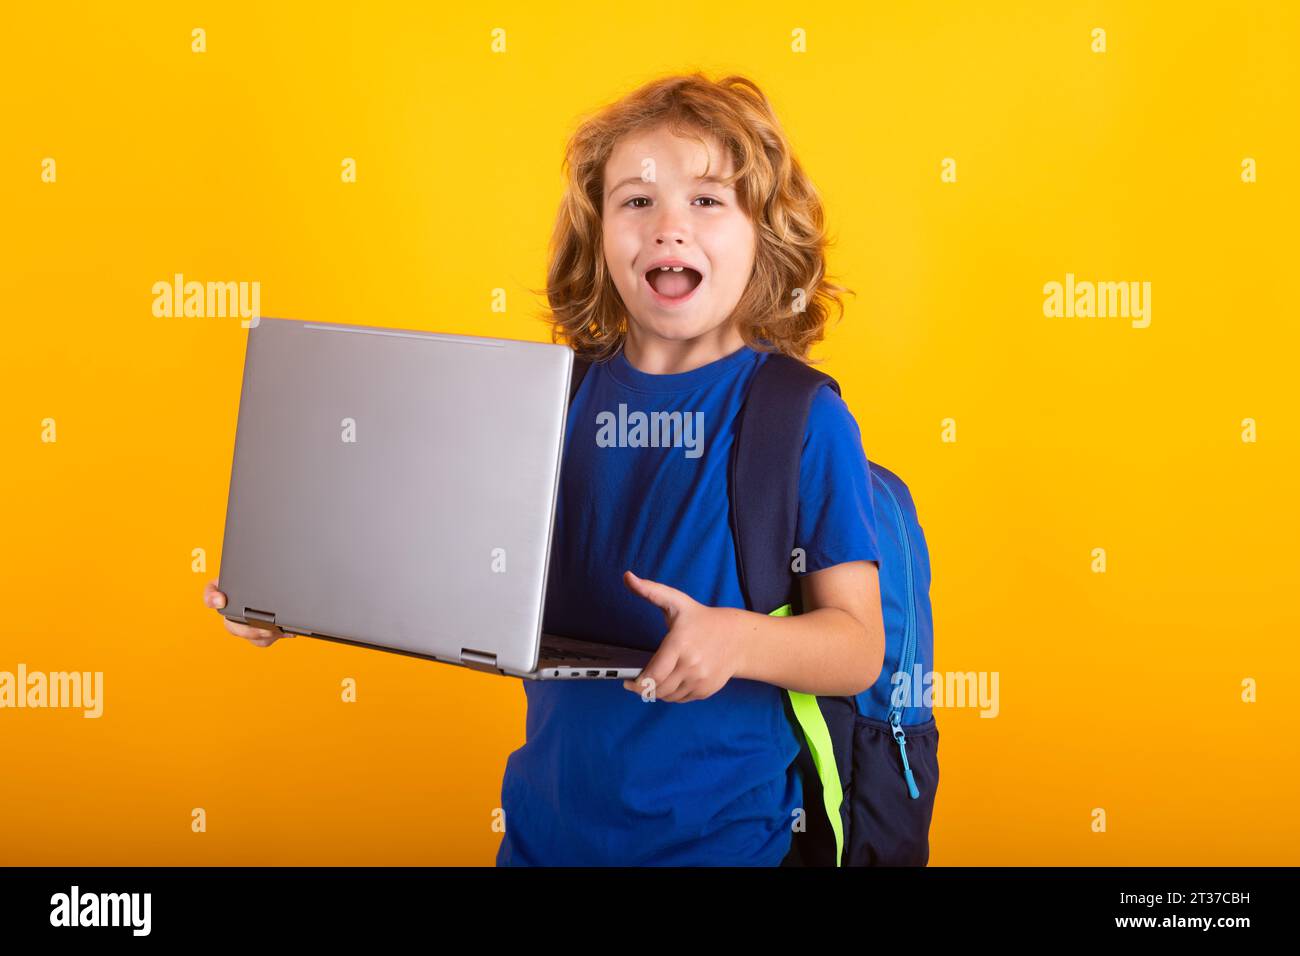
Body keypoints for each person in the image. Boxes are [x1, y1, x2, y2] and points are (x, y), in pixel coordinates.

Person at [204, 71, 886, 867]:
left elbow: (857, 648)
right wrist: (290, 599)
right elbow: (455, 576)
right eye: (636, 200)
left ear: (763, 233)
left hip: (724, 845)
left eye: (707, 200)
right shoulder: (549, 402)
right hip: (541, 836)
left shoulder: (799, 418)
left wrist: (737, 642)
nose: (669, 227)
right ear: (598, 234)